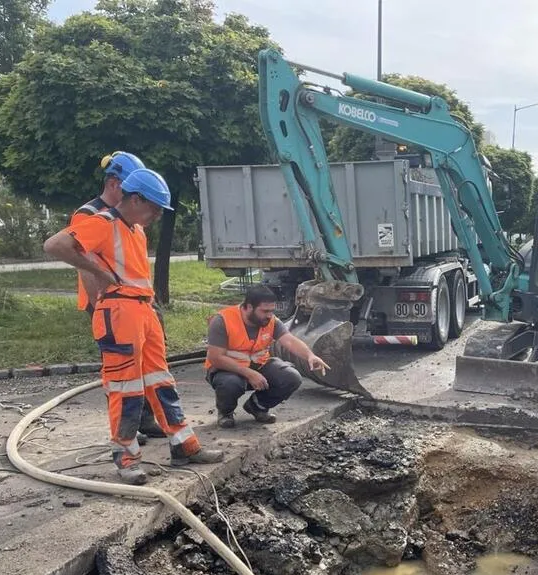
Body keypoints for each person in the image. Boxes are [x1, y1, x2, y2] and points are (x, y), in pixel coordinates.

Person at [43, 168, 223, 484]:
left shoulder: (136, 230)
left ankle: (184, 444)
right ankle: (126, 458)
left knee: (159, 379)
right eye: (154, 207)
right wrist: (98, 272)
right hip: (120, 312)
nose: (156, 215)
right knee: (125, 386)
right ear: (135, 198)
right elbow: (55, 245)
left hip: (143, 309)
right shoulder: (102, 223)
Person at [71, 150, 164, 443]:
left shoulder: (129, 219)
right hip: (111, 303)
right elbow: (81, 258)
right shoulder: (90, 215)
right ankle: (127, 429)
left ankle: (144, 420)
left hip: (135, 302)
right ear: (115, 184)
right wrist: (101, 300)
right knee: (121, 367)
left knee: (146, 364)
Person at [204, 285, 329, 428]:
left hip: (259, 366)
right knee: (231, 384)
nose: (269, 315)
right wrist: (249, 373)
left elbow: (289, 340)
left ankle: (257, 407)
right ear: (249, 307)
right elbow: (216, 358)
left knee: (291, 377)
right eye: (265, 311)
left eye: (271, 310)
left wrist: (310, 356)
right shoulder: (223, 321)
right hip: (226, 371)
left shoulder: (271, 321)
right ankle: (225, 412)